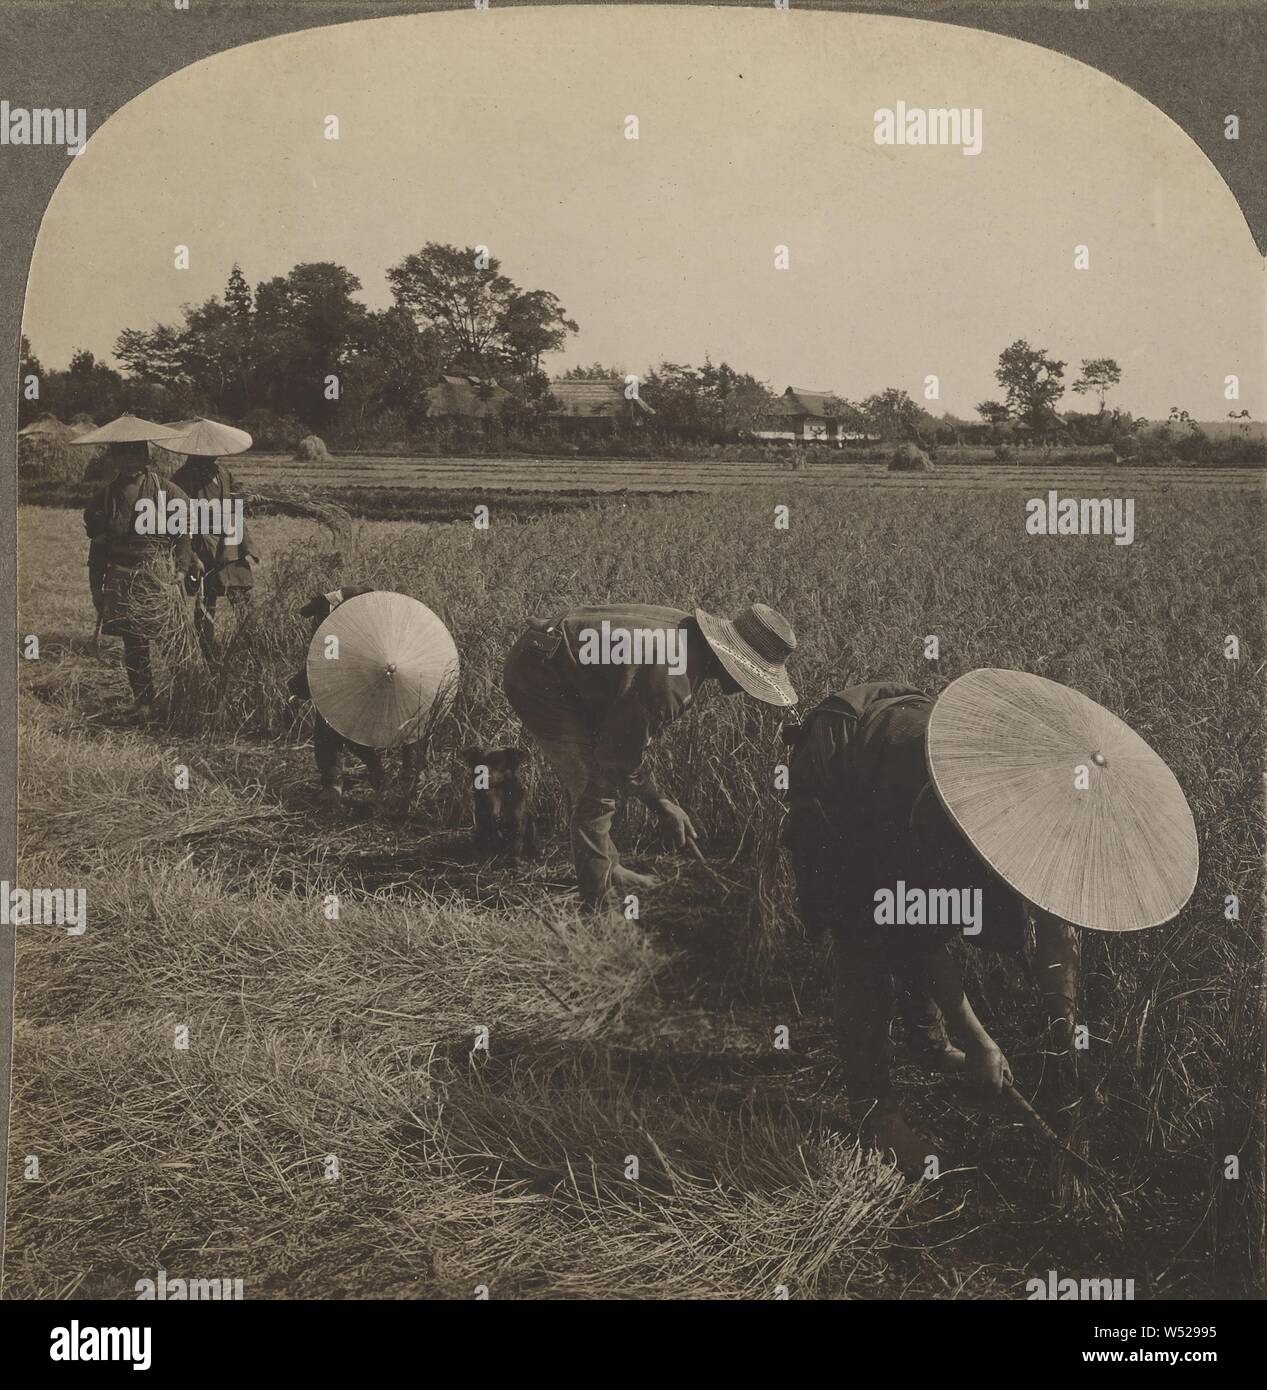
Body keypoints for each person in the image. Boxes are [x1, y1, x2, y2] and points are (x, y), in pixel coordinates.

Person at [782, 674, 1196, 1175]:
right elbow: (927, 936)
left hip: (900, 762)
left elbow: (1057, 930)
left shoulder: (1053, 816)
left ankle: (930, 1048)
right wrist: (980, 1041)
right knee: (866, 944)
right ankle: (876, 1118)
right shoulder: (945, 812)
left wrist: (1063, 1033)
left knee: (916, 924)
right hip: (842, 770)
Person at [503, 601, 797, 910]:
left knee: (598, 780)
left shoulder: (688, 633)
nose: (743, 690)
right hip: (538, 674)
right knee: (597, 790)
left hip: (559, 660)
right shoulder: (672, 680)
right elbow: (617, 759)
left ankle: (610, 868)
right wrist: (660, 804)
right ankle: (599, 909)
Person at [82, 442, 194, 721]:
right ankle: (144, 702)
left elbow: (182, 537)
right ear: (115, 458)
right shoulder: (104, 498)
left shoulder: (168, 492)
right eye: (124, 454)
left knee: (173, 641)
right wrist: (97, 588)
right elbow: (97, 550)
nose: (131, 461)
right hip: (122, 577)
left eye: (137, 454)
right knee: (134, 644)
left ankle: (186, 699)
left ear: (147, 457)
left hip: (160, 578)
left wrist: (180, 571)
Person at [286, 585, 424, 808]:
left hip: (384, 685)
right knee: (335, 716)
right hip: (378, 687)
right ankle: (378, 777)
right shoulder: (361, 613)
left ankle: (396, 777)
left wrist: (299, 687)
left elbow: (326, 666)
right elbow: (326, 663)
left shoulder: (347, 616)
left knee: (330, 716)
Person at [170, 453, 259, 660]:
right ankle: (207, 653)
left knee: (242, 596)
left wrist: (250, 499)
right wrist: (191, 556)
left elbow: (236, 498)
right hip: (203, 547)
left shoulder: (222, 473)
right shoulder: (183, 478)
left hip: (230, 543)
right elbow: (176, 521)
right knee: (205, 603)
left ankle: (254, 646)